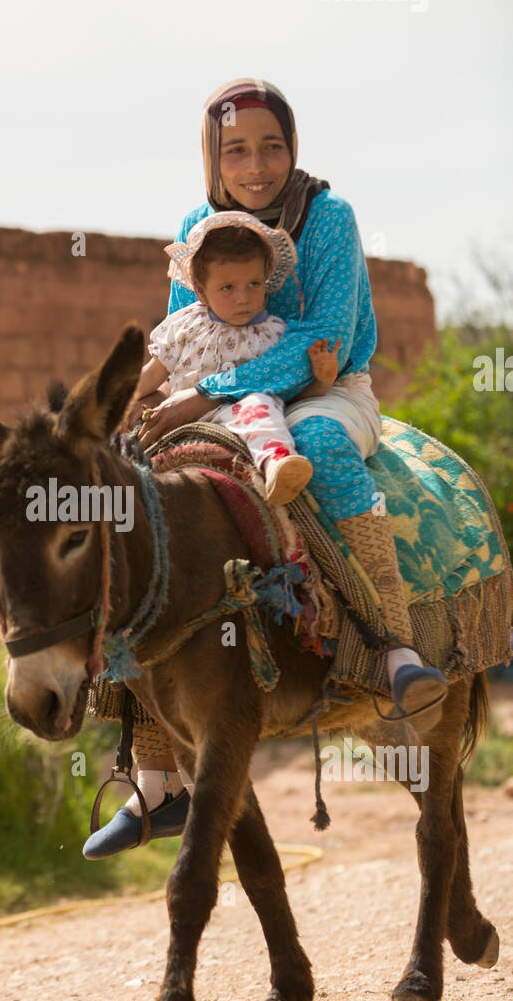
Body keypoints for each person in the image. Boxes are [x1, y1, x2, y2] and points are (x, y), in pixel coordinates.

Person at [84, 76, 448, 861]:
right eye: (237, 149)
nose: (256, 165)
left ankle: (392, 647)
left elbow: (327, 333)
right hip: (205, 398)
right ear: (213, 156)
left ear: (294, 147)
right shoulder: (196, 228)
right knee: (137, 494)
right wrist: (141, 400)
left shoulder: (329, 218)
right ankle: (153, 774)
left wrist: (206, 394)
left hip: (319, 387)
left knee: (316, 453)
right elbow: (181, 329)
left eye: (272, 145)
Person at [129, 211, 342, 506]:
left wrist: (322, 380)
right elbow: (153, 373)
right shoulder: (184, 326)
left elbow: (290, 393)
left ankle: (277, 464)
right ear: (201, 292)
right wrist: (117, 397)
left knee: (259, 405)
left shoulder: (274, 335)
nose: (243, 298)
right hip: (180, 416)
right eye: (228, 288)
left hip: (239, 418)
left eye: (254, 284)